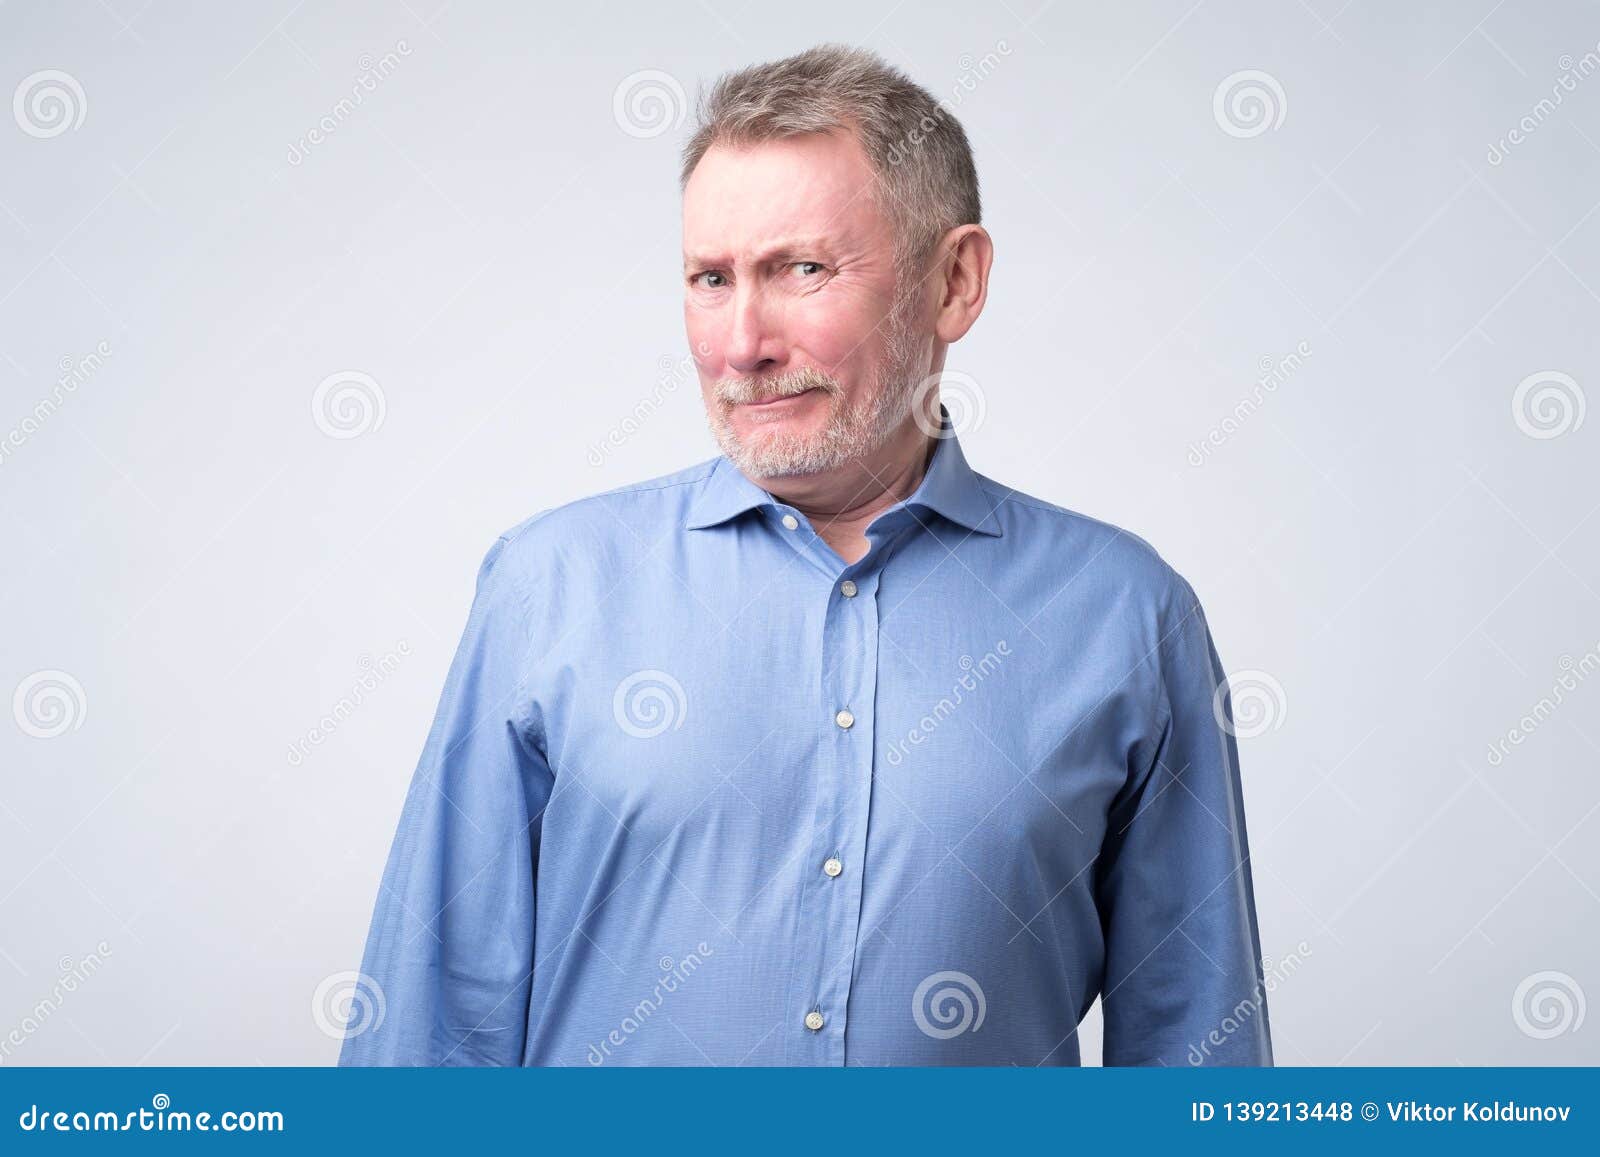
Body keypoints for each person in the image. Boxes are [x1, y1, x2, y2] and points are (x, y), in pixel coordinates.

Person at [338, 43, 1272, 1067]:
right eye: (710, 277)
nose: (742, 343)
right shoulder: (549, 586)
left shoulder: (1127, 614)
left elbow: (1198, 1055)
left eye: (802, 269)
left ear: (953, 282)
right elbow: (427, 1029)